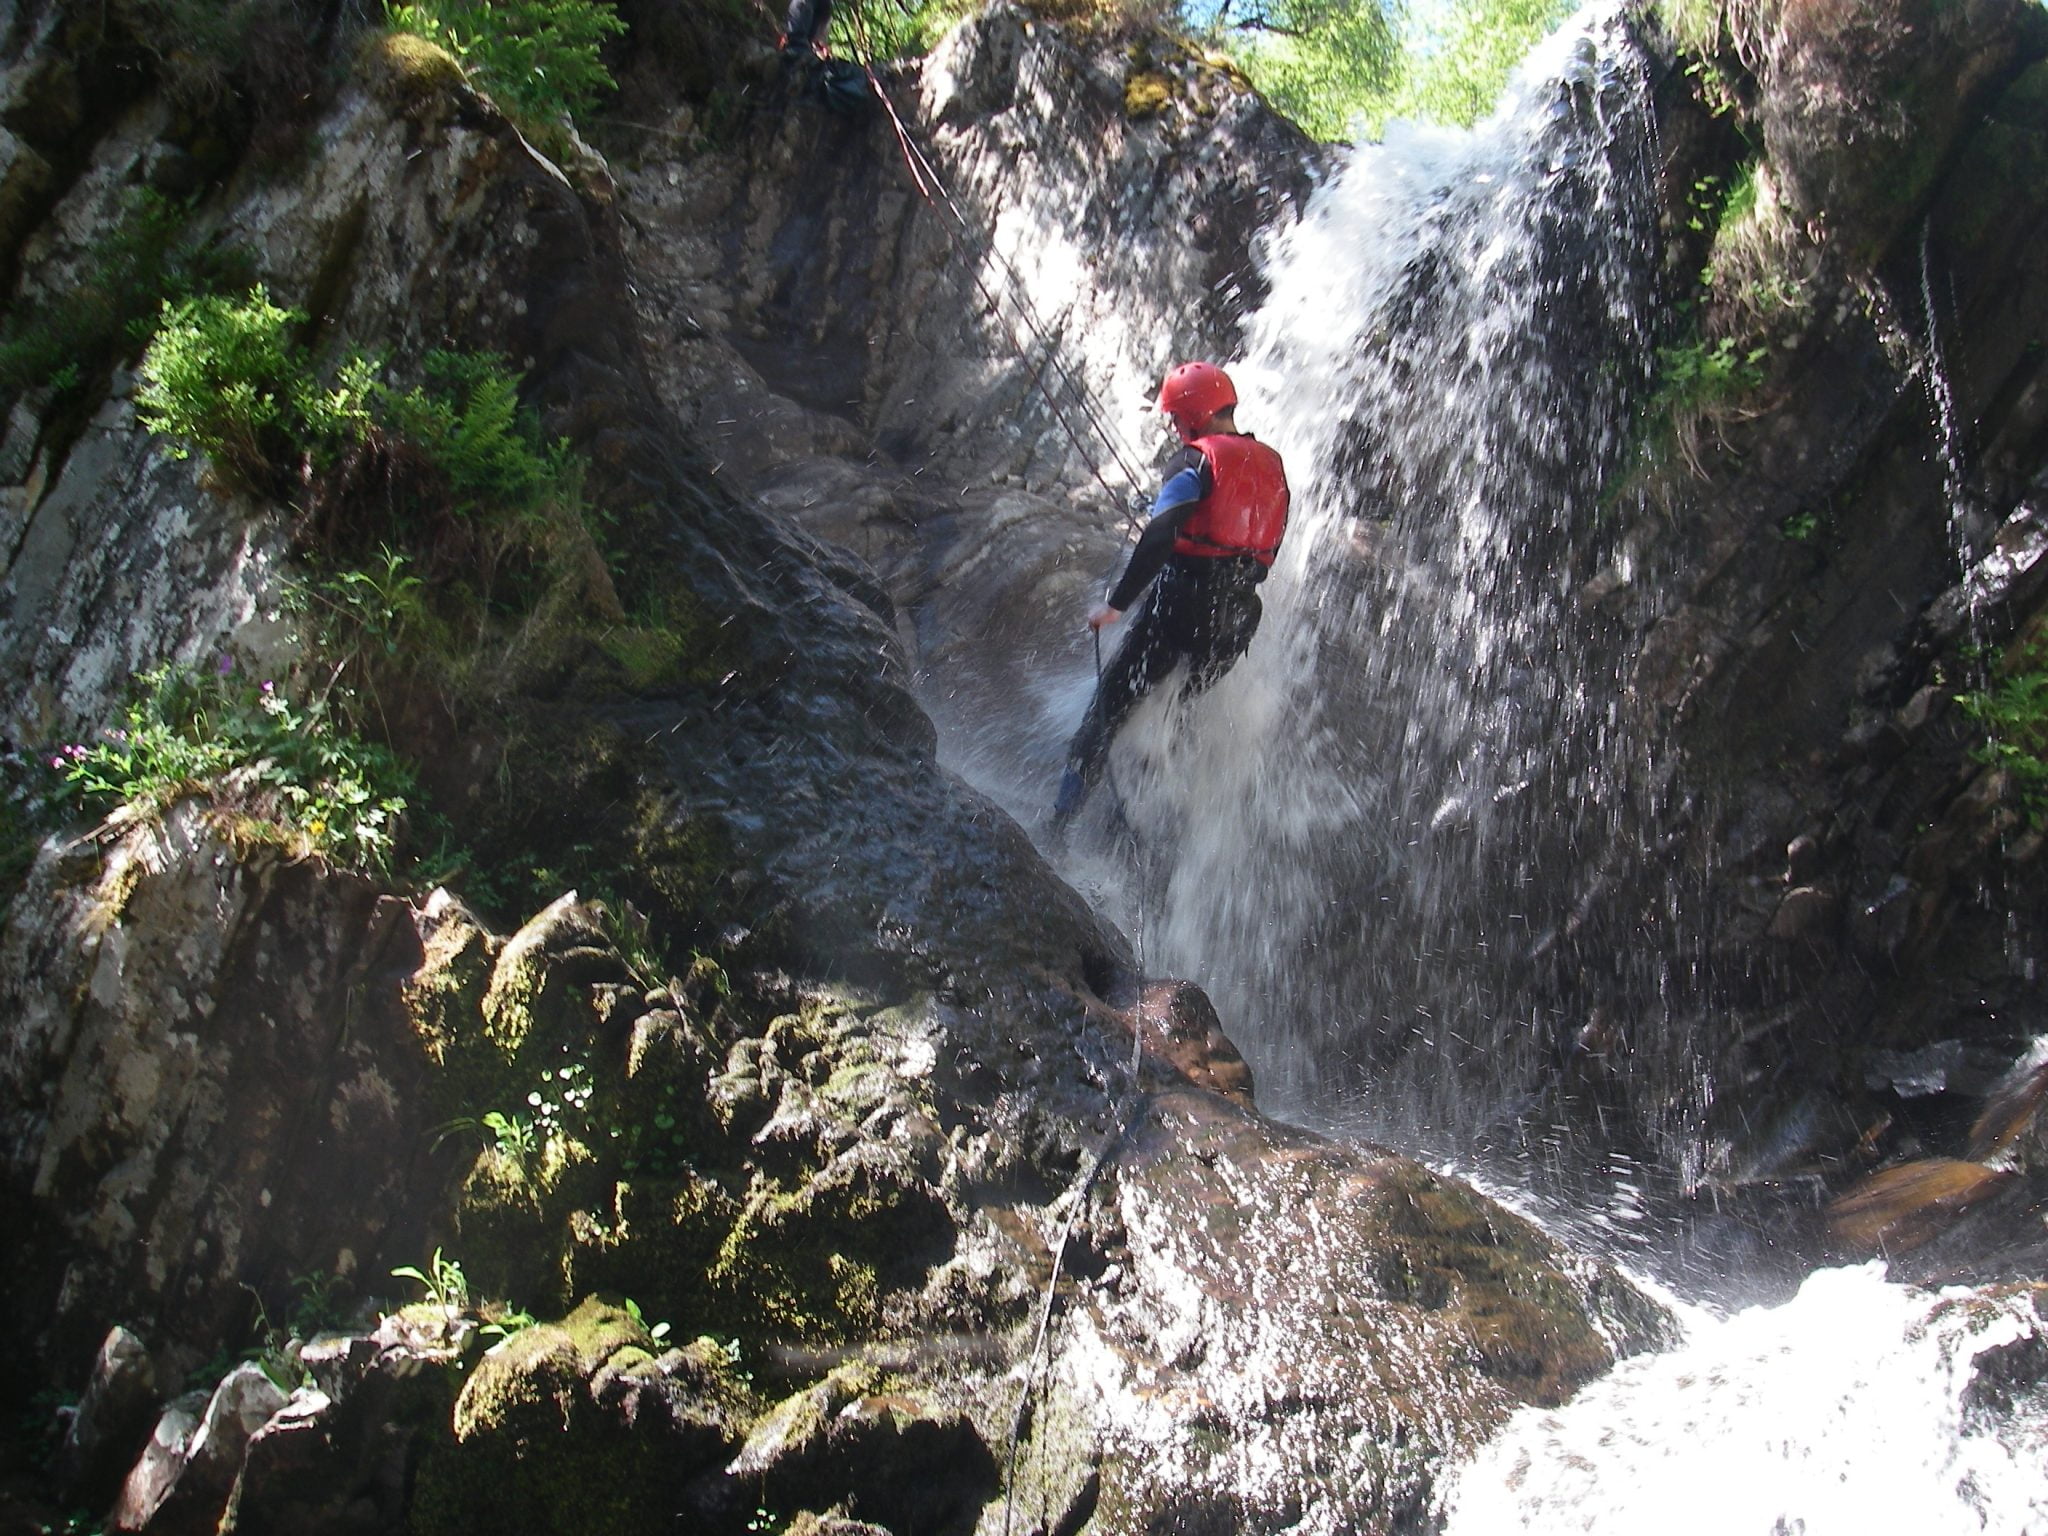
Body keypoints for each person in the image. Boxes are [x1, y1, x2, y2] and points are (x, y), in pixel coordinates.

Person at [1052, 361, 1290, 830]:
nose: (1175, 426)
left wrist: (1115, 606)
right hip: (1238, 621)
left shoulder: (1194, 460)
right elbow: (1264, 541)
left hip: (1184, 606)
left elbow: (1162, 534)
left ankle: (1059, 822)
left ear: (1194, 414)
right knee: (1174, 709)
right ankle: (1148, 823)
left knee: (1111, 706)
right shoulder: (1272, 465)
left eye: (1177, 417)